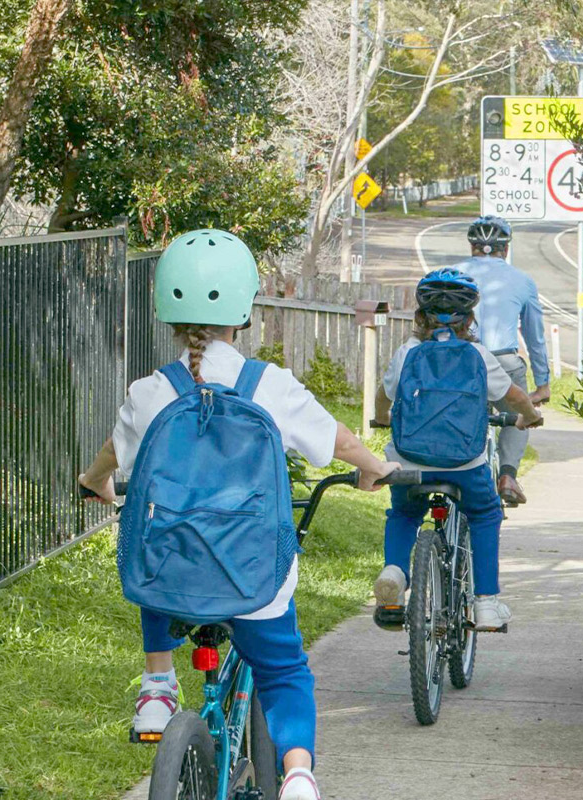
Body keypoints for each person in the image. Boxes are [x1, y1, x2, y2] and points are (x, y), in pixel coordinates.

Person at [79, 229, 397, 800]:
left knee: (156, 554)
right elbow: (340, 440)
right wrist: (374, 466)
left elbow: (112, 449)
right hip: (254, 578)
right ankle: (299, 775)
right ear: (244, 309)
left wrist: (95, 481)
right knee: (282, 672)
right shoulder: (268, 385)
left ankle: (157, 686)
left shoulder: (152, 390)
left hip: (172, 578)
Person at [370, 268, 544, 631]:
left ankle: (395, 573)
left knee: (403, 514)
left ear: (420, 317)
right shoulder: (478, 354)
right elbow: (511, 396)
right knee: (485, 514)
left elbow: (384, 395)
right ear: (470, 319)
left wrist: (383, 417)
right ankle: (486, 604)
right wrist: (529, 415)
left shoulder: (408, 352)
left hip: (409, 460)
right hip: (465, 465)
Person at [451, 215, 551, 506]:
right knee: (519, 415)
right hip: (504, 364)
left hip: (459, 361)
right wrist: (542, 384)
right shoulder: (522, 281)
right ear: (505, 249)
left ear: (471, 247)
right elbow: (535, 337)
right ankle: (508, 475)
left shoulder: (452, 273)